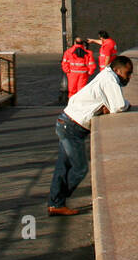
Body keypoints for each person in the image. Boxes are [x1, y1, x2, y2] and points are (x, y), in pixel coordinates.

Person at [48, 56, 133, 216]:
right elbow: (120, 105)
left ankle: (55, 203)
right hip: (72, 127)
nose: (128, 78)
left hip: (65, 121)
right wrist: (124, 105)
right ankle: (58, 200)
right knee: (80, 169)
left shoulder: (106, 74)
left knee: (63, 166)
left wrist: (107, 107)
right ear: (117, 70)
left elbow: (112, 104)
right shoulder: (110, 80)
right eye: (127, 73)